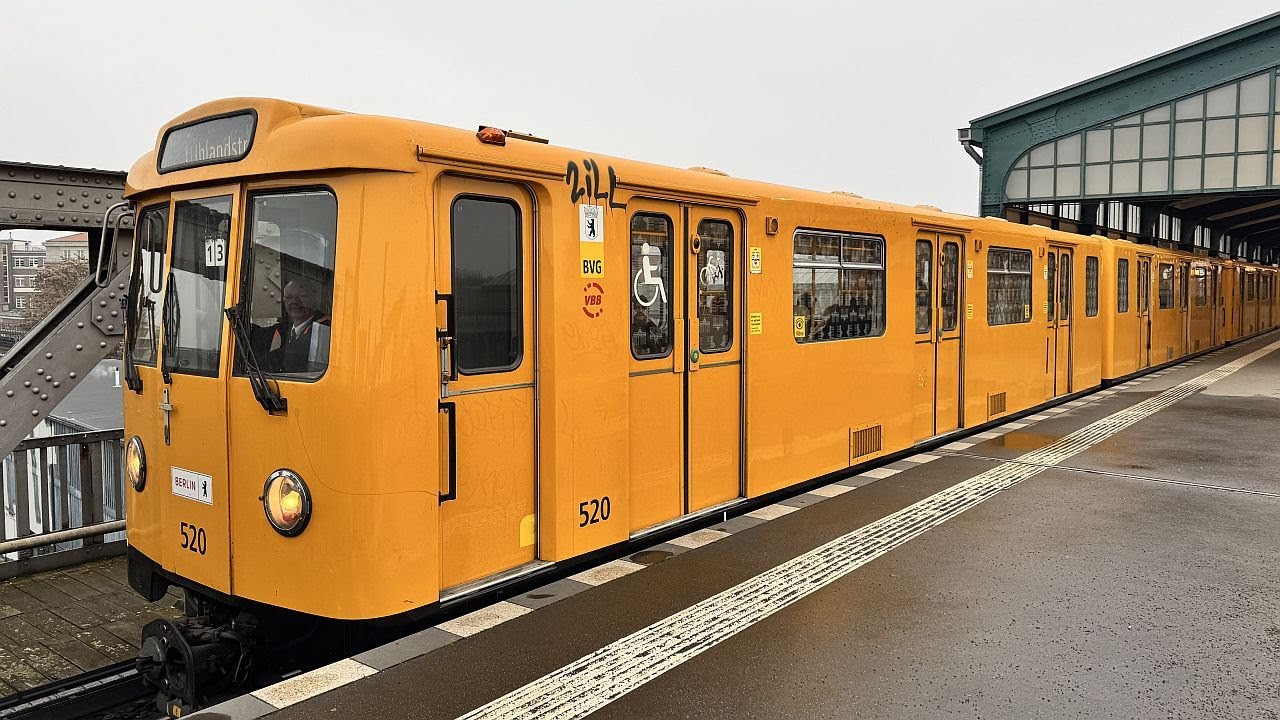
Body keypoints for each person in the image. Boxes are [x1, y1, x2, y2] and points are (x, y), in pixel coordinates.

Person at [256, 277, 330, 374]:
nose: (294, 301)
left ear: (314, 299)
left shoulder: (324, 329)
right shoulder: (283, 329)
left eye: (302, 296)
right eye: (289, 297)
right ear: (284, 300)